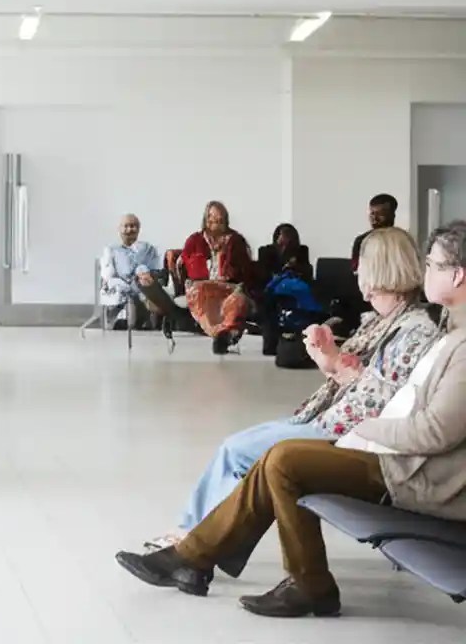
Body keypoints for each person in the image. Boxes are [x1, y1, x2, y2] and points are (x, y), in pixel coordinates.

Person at [115, 219, 466, 618]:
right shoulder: (449, 331)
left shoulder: (451, 341)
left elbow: (433, 430)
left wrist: (362, 427)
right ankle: (201, 559)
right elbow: (411, 401)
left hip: (409, 470)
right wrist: (339, 369)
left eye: (433, 265)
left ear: (457, 275)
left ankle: (204, 557)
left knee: (280, 459)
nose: (424, 273)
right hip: (392, 453)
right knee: (278, 458)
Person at [140, 227, 440, 551]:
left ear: (378, 269)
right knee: (236, 447)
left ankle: (193, 542)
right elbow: (353, 375)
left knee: (237, 453)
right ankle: (198, 539)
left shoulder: (415, 329)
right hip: (326, 419)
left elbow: (388, 400)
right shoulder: (380, 320)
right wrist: (329, 359)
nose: (357, 273)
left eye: (362, 266)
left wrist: (340, 366)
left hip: (348, 433)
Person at [139, 201, 255, 354]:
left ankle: (225, 334)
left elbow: (246, 269)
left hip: (229, 287)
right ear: (206, 219)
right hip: (202, 287)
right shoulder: (195, 240)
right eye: (212, 217)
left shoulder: (236, 240)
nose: (216, 221)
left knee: (239, 300)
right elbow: (182, 266)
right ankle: (220, 334)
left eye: (220, 218)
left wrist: (230, 272)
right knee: (199, 293)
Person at [255, 223, 320, 355]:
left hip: (294, 284)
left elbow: (307, 271)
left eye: (288, 239)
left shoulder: (300, 251)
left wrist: (294, 266)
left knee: (304, 294)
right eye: (281, 238)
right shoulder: (266, 251)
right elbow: (262, 273)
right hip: (274, 286)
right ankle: (271, 342)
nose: (284, 242)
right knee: (268, 303)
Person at [99, 214, 165, 330]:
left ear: (139, 229)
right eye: (126, 226)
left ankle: (150, 319)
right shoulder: (112, 250)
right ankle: (124, 320)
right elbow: (108, 275)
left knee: (145, 276)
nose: (129, 229)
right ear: (119, 229)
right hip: (123, 287)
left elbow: (155, 270)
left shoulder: (147, 248)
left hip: (144, 287)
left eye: (133, 226)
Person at [351, 194, 398, 272]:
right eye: (372, 213)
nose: (375, 218)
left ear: (392, 215)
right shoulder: (361, 241)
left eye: (380, 214)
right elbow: (356, 270)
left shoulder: (402, 242)